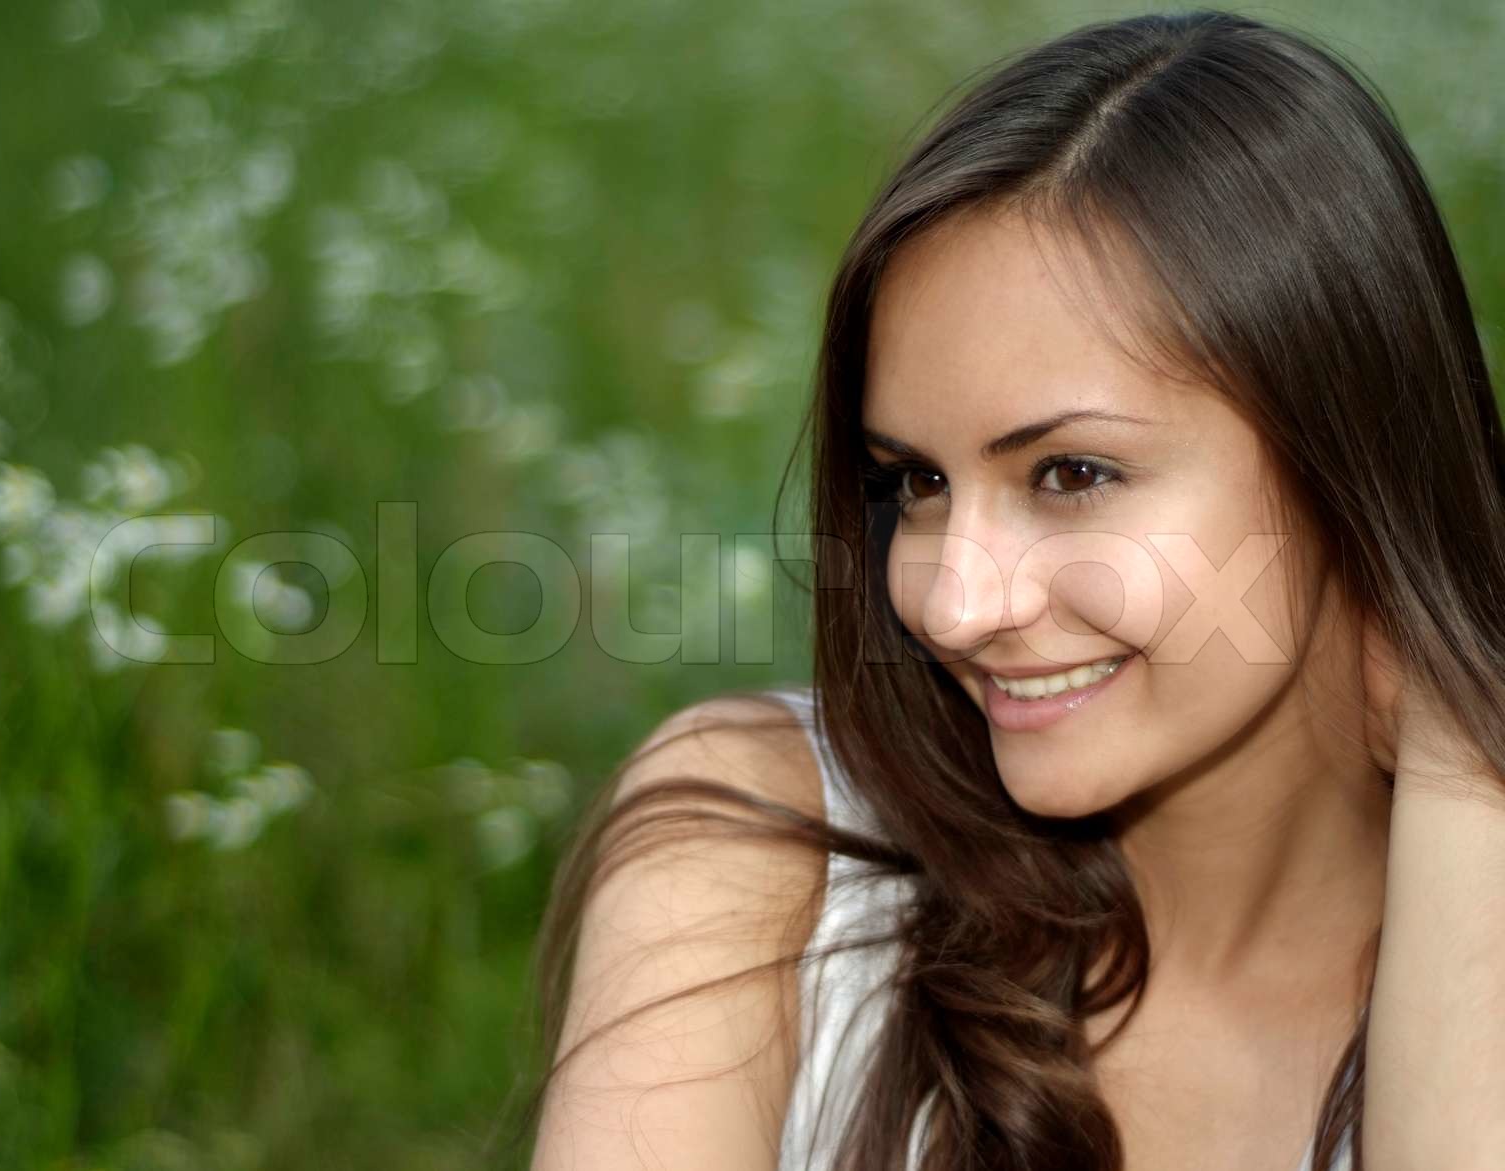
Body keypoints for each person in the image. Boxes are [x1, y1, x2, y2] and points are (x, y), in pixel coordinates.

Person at [517, 9, 1505, 1170]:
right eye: (916, 480)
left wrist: (1463, 748)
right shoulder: (764, 854)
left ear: (1349, 464)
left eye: (1071, 474)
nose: (951, 605)